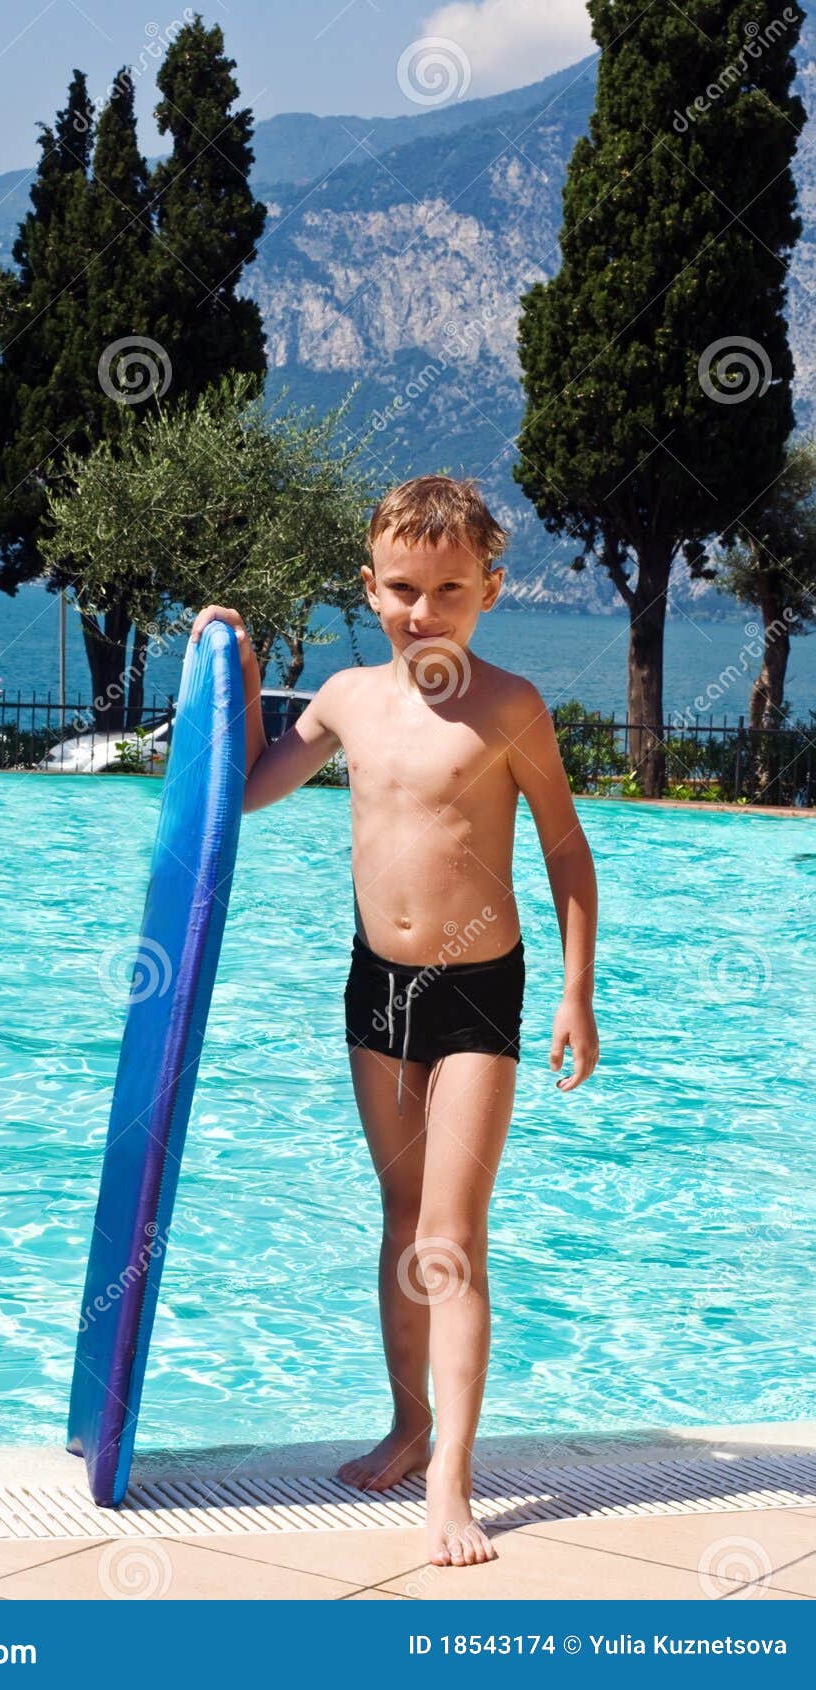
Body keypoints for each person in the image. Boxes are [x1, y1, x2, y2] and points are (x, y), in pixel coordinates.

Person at [190, 473, 600, 1568]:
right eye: (405, 588)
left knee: (448, 1239)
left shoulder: (509, 706)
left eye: (451, 589)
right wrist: (225, 655)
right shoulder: (344, 700)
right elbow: (238, 787)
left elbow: (562, 843)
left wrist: (574, 989)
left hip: (477, 990)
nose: (426, 611)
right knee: (399, 1213)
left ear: (491, 590)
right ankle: (408, 1423)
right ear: (369, 587)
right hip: (377, 987)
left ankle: (453, 1485)